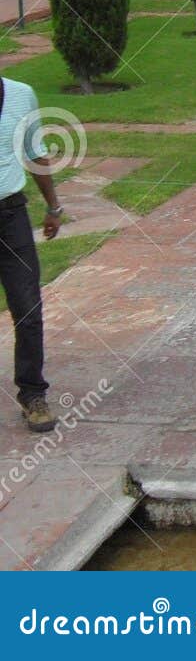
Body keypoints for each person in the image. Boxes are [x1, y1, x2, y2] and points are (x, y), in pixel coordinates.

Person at [0, 73, 62, 432]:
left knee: (27, 308)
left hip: (11, 216)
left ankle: (33, 394)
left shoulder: (21, 94)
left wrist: (53, 206)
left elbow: (34, 153)